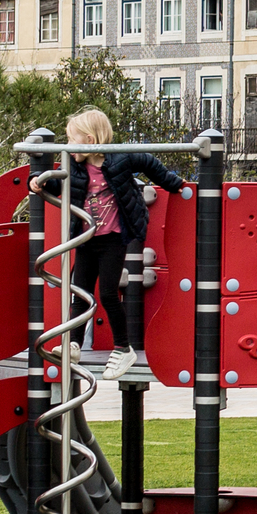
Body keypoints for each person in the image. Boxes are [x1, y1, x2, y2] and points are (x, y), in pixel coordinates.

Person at [36, 111, 189, 385]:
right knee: (79, 293)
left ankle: (123, 348)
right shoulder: (75, 166)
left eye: (72, 140)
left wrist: (173, 183)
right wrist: (38, 181)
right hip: (85, 240)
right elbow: (57, 182)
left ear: (90, 140)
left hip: (112, 239)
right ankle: (73, 344)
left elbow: (148, 162)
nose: (68, 146)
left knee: (107, 294)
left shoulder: (120, 159)